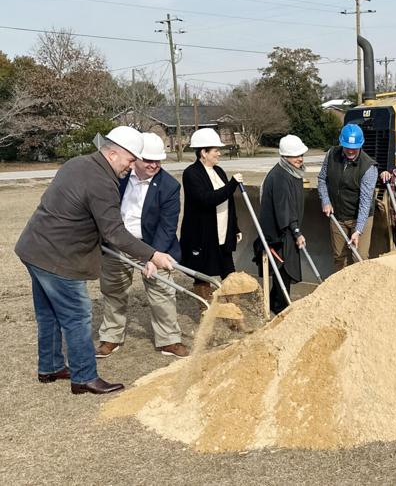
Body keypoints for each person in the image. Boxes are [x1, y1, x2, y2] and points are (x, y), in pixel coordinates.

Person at [15, 126, 175, 395]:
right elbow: (114, 232)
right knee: (78, 316)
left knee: (48, 314)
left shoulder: (78, 163)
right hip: (59, 258)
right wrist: (152, 254)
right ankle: (84, 377)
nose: (131, 166)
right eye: (129, 160)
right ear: (113, 154)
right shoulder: (102, 182)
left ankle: (51, 366)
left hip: (34, 248)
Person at [97, 132, 188, 359]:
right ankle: (111, 337)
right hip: (117, 243)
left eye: (158, 160)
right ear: (134, 157)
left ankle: (169, 340)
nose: (154, 165)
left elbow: (168, 227)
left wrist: (152, 257)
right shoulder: (118, 176)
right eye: (148, 160)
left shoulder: (169, 186)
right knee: (114, 290)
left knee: (162, 292)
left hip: (153, 245)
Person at [180, 128, 243, 301]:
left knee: (229, 273)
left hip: (223, 233)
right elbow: (206, 199)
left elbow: (229, 202)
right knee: (202, 275)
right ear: (203, 152)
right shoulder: (191, 174)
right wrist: (232, 185)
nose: (219, 154)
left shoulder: (219, 171)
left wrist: (235, 227)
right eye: (215, 150)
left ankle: (235, 315)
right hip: (202, 236)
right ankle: (205, 312)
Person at [256, 135, 308, 314]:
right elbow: (284, 209)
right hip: (279, 235)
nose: (300, 159)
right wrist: (296, 231)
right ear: (285, 157)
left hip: (287, 231)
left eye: (301, 155)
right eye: (296, 156)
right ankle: (280, 309)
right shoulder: (279, 177)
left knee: (284, 274)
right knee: (282, 272)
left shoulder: (291, 172)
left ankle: (278, 303)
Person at [318, 124, 377, 269]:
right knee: (339, 255)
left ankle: (360, 288)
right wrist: (325, 201)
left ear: (361, 144)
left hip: (360, 216)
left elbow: (365, 202)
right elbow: (321, 179)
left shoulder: (368, 168)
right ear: (341, 143)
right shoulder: (331, 155)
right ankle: (341, 288)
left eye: (354, 147)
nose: (350, 150)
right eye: (347, 146)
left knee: (360, 257)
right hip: (338, 214)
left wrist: (358, 231)